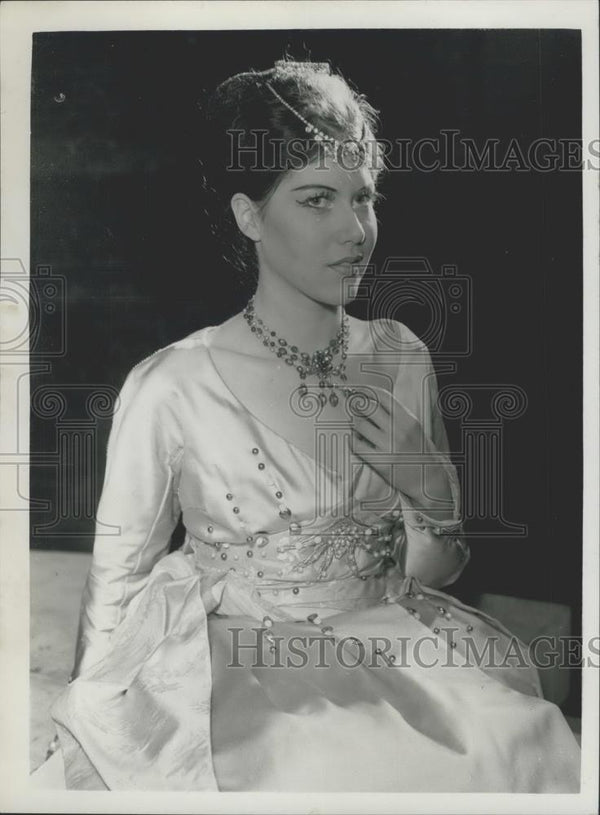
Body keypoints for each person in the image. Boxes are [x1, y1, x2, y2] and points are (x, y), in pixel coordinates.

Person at [48, 59, 580, 792]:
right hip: (245, 676)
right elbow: (115, 584)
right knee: (321, 761)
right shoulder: (172, 383)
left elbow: (430, 569)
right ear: (249, 216)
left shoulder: (399, 352)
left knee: (521, 742)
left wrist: (432, 485)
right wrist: (90, 736)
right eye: (317, 200)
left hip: (390, 642)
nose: (354, 230)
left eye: (364, 198)